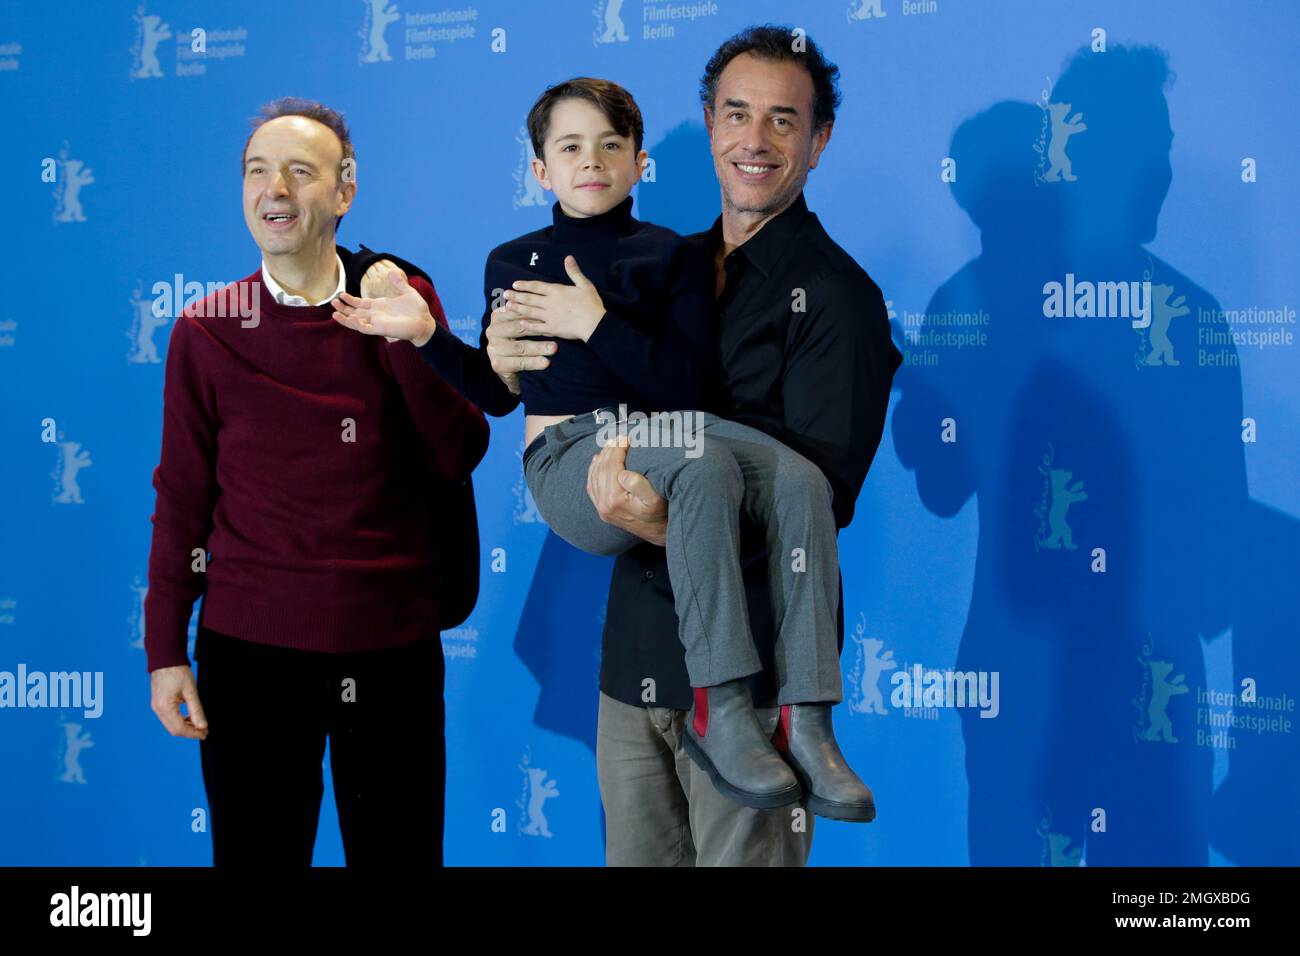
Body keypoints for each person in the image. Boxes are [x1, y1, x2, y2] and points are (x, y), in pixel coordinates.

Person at [335, 76, 876, 819]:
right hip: (570, 450)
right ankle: (720, 708)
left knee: (800, 478)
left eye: (610, 145)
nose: (591, 161)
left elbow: (687, 387)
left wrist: (594, 322)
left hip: (667, 429)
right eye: (569, 147)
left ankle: (809, 721)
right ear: (540, 170)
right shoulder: (513, 263)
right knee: (709, 467)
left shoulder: (673, 258)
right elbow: (499, 395)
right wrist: (427, 334)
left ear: (638, 161)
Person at [144, 97, 489, 867]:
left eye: (301, 172)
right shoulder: (205, 331)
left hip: (391, 645)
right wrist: (165, 650)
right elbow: (182, 500)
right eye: (258, 172)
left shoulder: (403, 299)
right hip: (250, 652)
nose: (275, 191)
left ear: (344, 192)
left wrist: (408, 338)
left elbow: (461, 449)